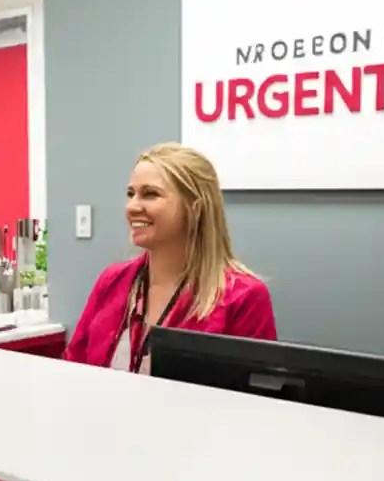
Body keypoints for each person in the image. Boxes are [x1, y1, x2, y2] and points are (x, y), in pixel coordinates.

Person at [63, 143, 276, 373]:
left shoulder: (243, 298)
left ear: (195, 209)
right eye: (130, 194)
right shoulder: (113, 281)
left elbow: (252, 401)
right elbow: (74, 368)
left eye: (150, 194)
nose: (132, 206)